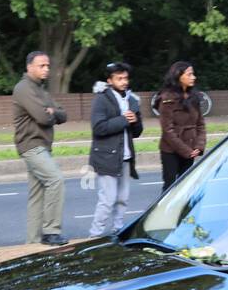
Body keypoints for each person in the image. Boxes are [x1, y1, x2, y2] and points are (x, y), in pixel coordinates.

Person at [13, 50, 69, 245]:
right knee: (56, 180)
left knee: (37, 195)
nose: (46, 69)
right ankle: (51, 231)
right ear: (29, 67)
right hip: (31, 145)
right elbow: (43, 117)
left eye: (47, 66)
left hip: (42, 146)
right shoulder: (23, 88)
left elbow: (63, 114)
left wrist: (53, 111)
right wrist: (51, 113)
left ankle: (33, 242)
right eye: (41, 65)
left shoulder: (41, 91)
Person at [88, 62, 144, 237]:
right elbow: (98, 128)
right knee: (108, 199)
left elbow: (137, 132)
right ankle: (94, 234)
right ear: (109, 80)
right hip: (106, 157)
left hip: (126, 157)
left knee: (122, 199)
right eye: (119, 78)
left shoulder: (132, 100)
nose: (123, 81)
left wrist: (135, 121)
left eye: (125, 78)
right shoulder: (102, 99)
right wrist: (124, 120)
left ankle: (118, 230)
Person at [154, 61, 206, 190]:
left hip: (191, 148)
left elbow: (200, 125)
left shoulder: (194, 97)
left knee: (186, 188)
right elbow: (168, 130)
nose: (193, 77)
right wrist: (186, 151)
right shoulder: (167, 99)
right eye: (189, 74)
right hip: (171, 151)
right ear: (178, 76)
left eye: (193, 74)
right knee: (170, 188)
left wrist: (199, 146)